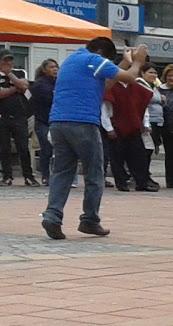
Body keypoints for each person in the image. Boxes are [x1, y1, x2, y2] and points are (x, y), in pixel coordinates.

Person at [41, 38, 144, 240]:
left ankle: (52, 216)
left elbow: (106, 84)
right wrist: (138, 61)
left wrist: (124, 62)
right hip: (83, 122)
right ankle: (90, 220)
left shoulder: (71, 60)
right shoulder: (95, 59)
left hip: (58, 122)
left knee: (62, 172)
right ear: (100, 52)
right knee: (94, 173)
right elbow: (130, 78)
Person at [104, 70, 157, 193]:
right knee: (117, 157)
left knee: (138, 156)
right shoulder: (112, 87)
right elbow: (105, 109)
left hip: (134, 126)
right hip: (117, 126)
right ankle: (121, 182)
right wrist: (109, 128)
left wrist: (146, 124)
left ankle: (141, 182)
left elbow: (143, 108)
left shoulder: (136, 87)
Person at [0, 52, 36, 186]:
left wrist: (10, 74)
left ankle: (28, 176)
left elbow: (24, 86)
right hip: (2, 116)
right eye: (5, 61)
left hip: (20, 116)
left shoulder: (20, 72)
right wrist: (16, 88)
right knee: (4, 147)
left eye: (11, 60)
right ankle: (7, 176)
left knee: (23, 147)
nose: (9, 63)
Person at [29, 59, 57, 185]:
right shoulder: (40, 84)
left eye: (56, 67)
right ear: (45, 69)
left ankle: (56, 175)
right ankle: (46, 176)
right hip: (43, 121)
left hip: (55, 120)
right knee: (46, 148)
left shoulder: (58, 82)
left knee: (58, 150)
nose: (55, 69)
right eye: (51, 67)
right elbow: (49, 99)